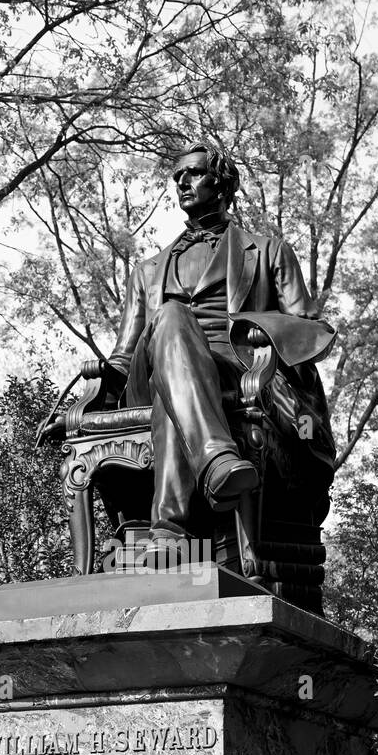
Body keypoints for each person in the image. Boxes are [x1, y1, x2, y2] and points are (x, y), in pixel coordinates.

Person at [103, 141, 336, 547]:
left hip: (233, 370)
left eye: (192, 173)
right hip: (151, 367)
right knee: (173, 317)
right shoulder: (147, 271)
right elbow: (123, 357)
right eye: (177, 176)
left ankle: (169, 532)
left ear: (222, 183)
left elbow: (309, 329)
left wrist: (262, 332)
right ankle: (216, 459)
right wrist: (86, 401)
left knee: (173, 394)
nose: (182, 182)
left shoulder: (267, 252)